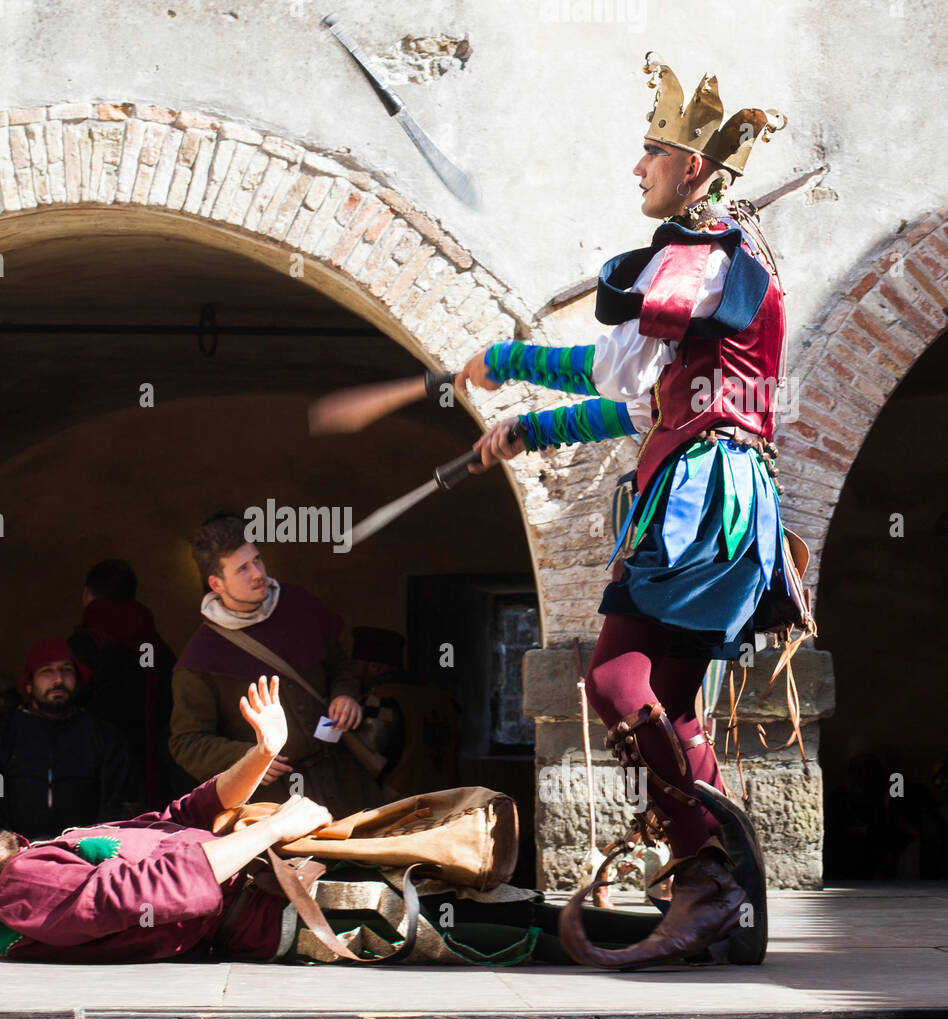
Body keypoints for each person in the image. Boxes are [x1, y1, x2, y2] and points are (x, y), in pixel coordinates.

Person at [457, 53, 789, 968]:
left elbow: (616, 366)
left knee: (613, 683)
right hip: (709, 478)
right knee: (668, 703)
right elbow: (648, 399)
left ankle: (711, 873)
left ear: (691, 168)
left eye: (649, 153)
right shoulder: (720, 261)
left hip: (701, 494)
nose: (635, 168)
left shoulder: (701, 252)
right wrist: (531, 430)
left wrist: (507, 357)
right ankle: (723, 894)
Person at [0, 676, 663, 963]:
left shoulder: (41, 854)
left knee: (487, 906)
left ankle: (664, 929)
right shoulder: (25, 891)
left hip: (290, 871)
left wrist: (264, 754)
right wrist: (270, 826)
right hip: (292, 905)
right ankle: (673, 937)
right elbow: (166, 895)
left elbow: (177, 818)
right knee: (486, 926)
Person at [169, 513, 385, 819]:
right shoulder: (200, 659)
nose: (257, 573)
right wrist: (247, 759)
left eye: (257, 560)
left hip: (346, 777)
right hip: (276, 803)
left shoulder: (299, 604)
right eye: (242, 569)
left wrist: (344, 695)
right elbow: (187, 742)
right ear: (216, 583)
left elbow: (339, 664)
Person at [0, 637, 141, 843]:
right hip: (13, 857)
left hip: (86, 857)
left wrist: (94, 846)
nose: (58, 680)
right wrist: (4, 847)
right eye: (47, 671)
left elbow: (122, 804)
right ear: (28, 685)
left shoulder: (104, 737)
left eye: (66, 670)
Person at [67, 558, 192, 808]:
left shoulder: (85, 643)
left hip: (99, 765)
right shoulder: (154, 641)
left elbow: (66, 702)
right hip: (156, 766)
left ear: (86, 595)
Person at [351, 626, 461, 796]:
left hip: (402, 802)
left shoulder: (381, 699)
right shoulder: (442, 698)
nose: (354, 674)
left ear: (375, 667)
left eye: (356, 666)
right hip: (447, 797)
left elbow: (371, 762)